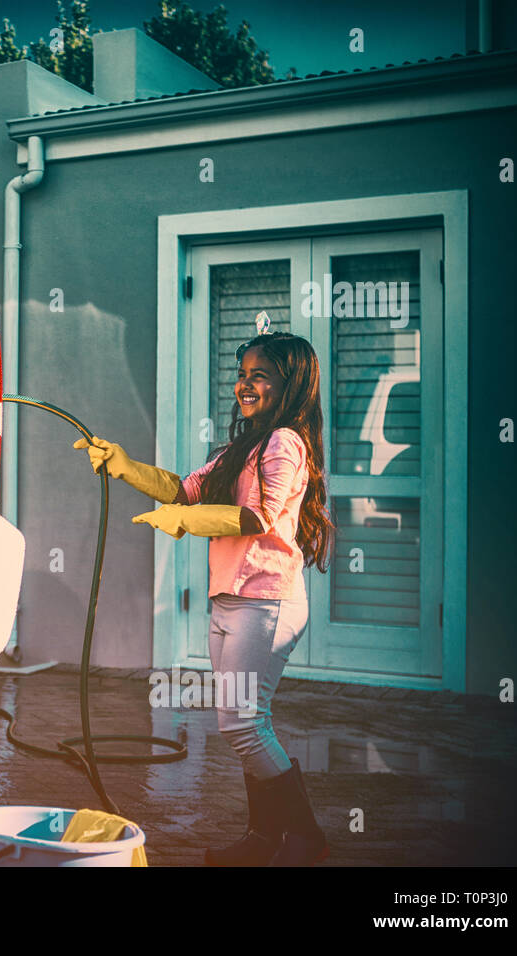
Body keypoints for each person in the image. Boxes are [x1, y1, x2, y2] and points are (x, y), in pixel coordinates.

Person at [74, 331, 335, 866]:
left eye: (259, 375)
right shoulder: (241, 447)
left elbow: (253, 518)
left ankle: (307, 838)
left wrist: (183, 522)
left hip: (267, 602)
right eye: (242, 374)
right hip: (230, 602)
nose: (245, 383)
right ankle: (263, 840)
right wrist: (123, 464)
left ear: (291, 386)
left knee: (242, 723)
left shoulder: (286, 441)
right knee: (247, 726)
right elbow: (180, 489)